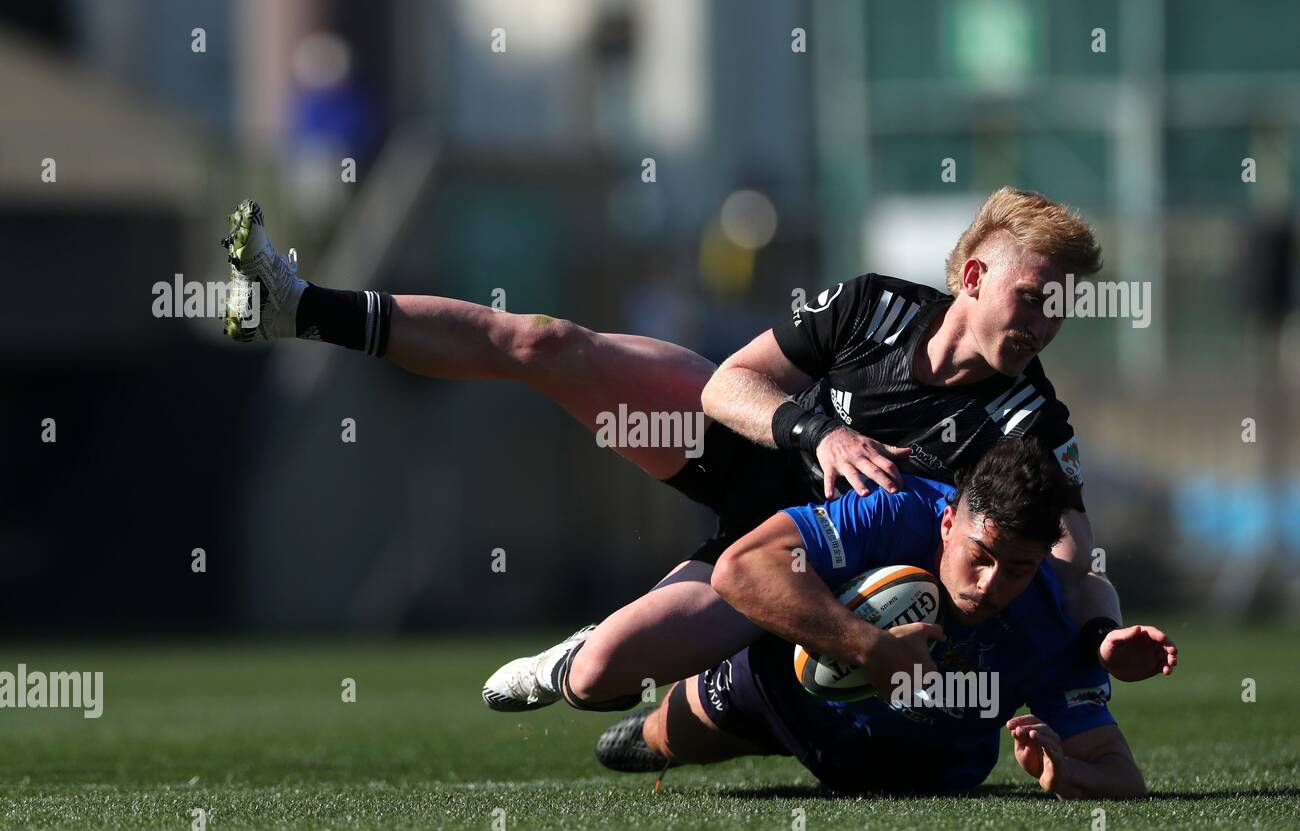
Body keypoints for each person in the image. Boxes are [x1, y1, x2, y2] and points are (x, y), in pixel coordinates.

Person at [216, 188, 1167, 717]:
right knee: (549, 345)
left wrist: (1101, 635)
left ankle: (620, 656)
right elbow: (726, 384)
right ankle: (295, 306)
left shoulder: (1031, 419)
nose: (1048, 319)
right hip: (752, 456)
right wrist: (820, 430)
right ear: (971, 277)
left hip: (803, 561)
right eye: (1035, 294)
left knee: (597, 681)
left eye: (1064, 303)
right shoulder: (873, 302)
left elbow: (1074, 559)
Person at [594, 439, 1170, 799]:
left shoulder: (1052, 619)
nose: (991, 584)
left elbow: (1121, 775)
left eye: (1018, 569)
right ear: (947, 524)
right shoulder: (895, 507)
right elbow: (740, 569)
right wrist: (869, 647)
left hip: (923, 772)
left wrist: (1069, 775)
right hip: (783, 696)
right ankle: (658, 728)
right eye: (980, 557)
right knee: (659, 736)